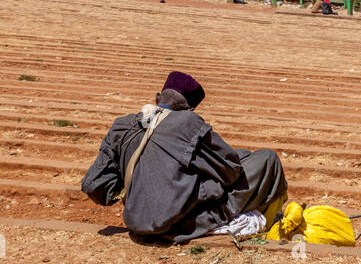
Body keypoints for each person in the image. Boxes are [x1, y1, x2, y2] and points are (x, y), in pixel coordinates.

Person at [81, 71, 288, 245]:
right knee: (267, 160)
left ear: (157, 97)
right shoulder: (189, 123)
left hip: (135, 221)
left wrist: (136, 192)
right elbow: (230, 171)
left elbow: (94, 184)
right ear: (190, 109)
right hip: (175, 224)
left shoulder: (123, 125)